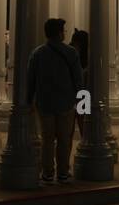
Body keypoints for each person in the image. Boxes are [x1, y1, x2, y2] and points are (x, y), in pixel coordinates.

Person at [27, 18, 82, 184]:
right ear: (59, 33)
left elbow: (31, 80)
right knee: (64, 139)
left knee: (47, 139)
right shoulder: (71, 53)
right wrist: (83, 106)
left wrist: (29, 101)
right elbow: (79, 81)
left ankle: (48, 172)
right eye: (63, 30)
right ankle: (63, 172)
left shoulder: (37, 53)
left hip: (44, 103)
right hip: (66, 103)